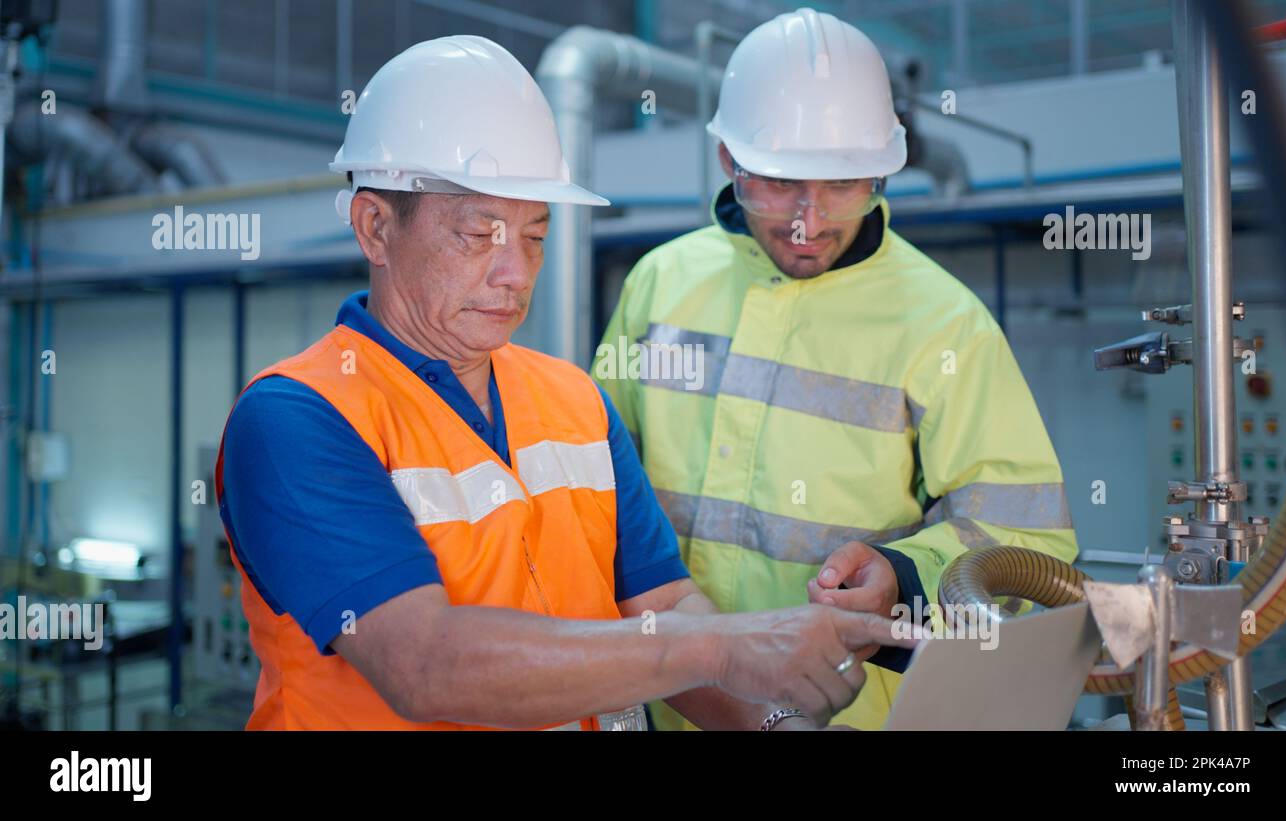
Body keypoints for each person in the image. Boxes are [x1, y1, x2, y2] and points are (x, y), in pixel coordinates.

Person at [215, 34, 912, 731]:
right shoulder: (297, 419)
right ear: (375, 226)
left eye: (535, 235)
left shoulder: (574, 399)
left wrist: (773, 724)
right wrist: (721, 645)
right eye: (478, 233)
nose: (516, 272)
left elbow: (661, 602)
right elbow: (424, 664)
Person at [595, 8, 1078, 731]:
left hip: (844, 717)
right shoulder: (659, 282)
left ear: (884, 169)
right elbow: (590, 479)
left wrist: (904, 578)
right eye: (780, 183)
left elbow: (1031, 547)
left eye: (844, 184)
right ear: (730, 161)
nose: (807, 220)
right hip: (667, 709)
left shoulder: (947, 324)